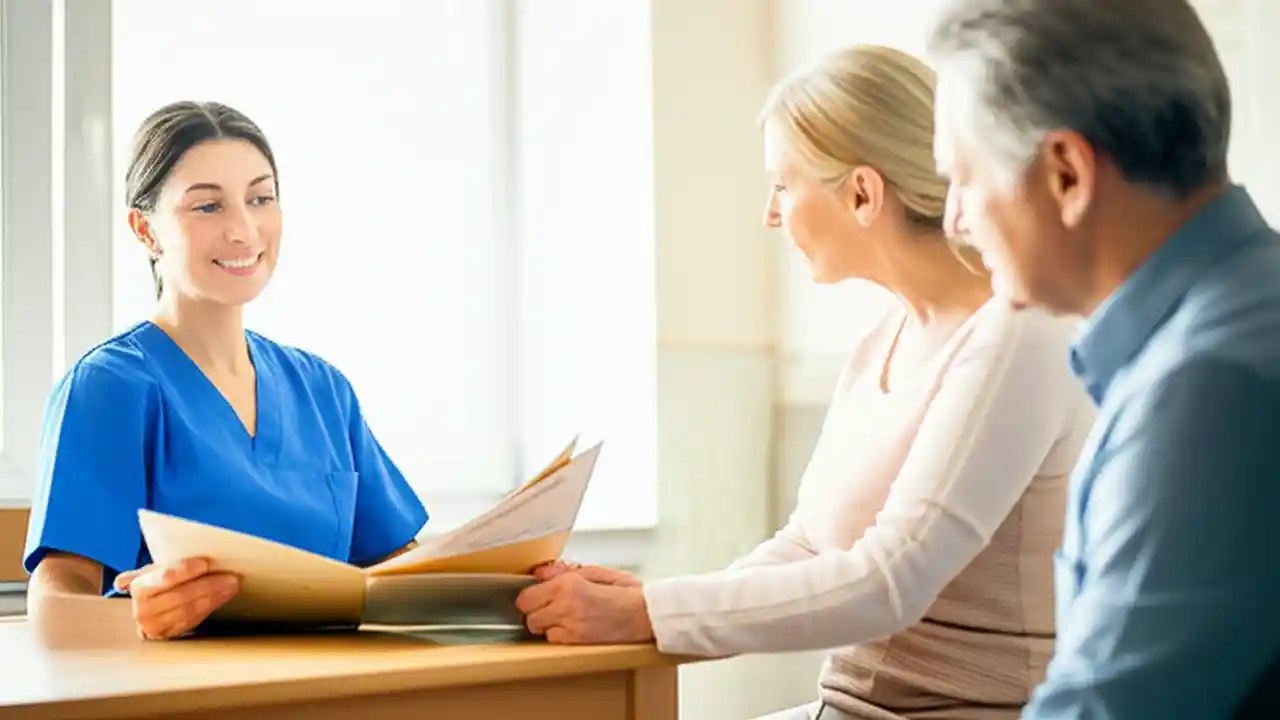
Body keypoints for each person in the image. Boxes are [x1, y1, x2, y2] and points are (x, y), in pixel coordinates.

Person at [516, 45, 1095, 719]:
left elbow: (892, 580)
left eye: (784, 185)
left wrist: (650, 612)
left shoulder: (1019, 333)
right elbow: (810, 543)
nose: (771, 213)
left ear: (862, 194)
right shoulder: (885, 338)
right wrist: (648, 603)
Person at [927, 1, 1280, 717]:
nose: (954, 220)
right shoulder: (1243, 314)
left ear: (1067, 175)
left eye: (963, 177)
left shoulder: (1207, 391)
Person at [24, 101, 429, 641]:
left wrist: (515, 583)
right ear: (145, 230)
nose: (243, 230)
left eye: (260, 198)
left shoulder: (323, 390)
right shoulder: (110, 387)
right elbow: (54, 610)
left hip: (331, 678)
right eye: (208, 206)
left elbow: (403, 569)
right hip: (180, 685)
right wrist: (139, 620)